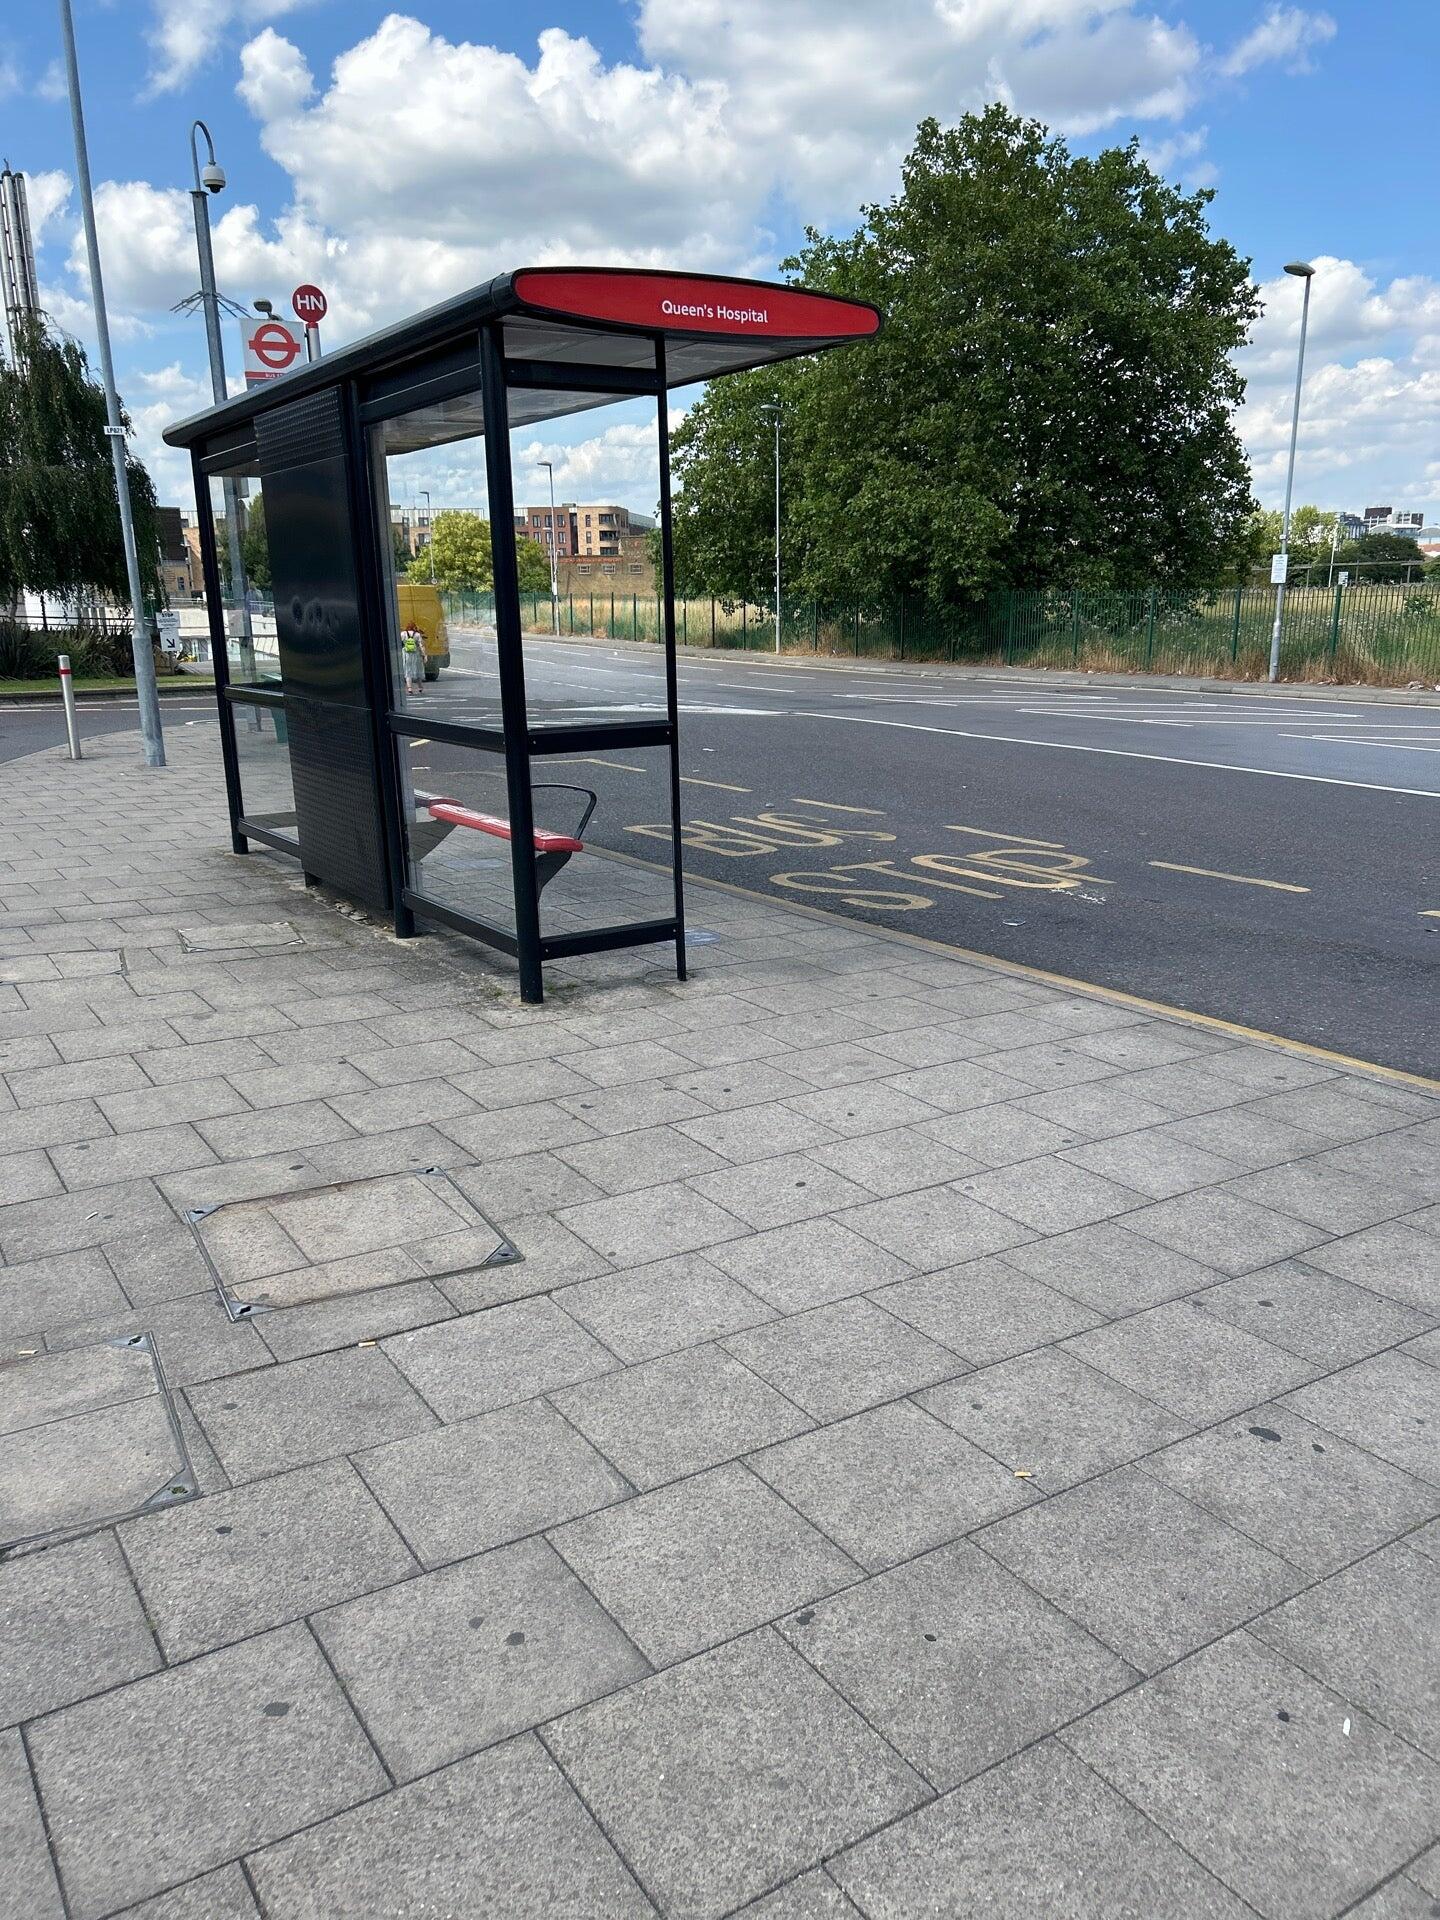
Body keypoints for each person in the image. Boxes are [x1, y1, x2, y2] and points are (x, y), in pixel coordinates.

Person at [401, 628, 424, 693]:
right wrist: (424, 655)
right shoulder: (417, 635)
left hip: (406, 654)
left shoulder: (403, 634)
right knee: (418, 670)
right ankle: (420, 687)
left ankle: (409, 688)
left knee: (408, 671)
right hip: (416, 654)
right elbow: (421, 645)